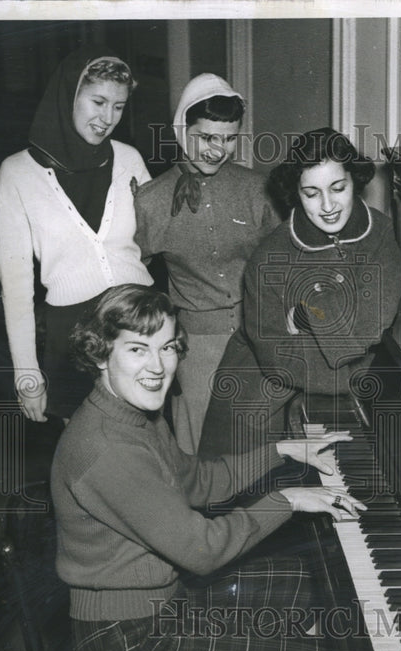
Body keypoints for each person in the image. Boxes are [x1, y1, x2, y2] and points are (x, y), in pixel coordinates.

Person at [51, 284, 365, 651]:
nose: (157, 367)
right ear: (101, 354)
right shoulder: (107, 450)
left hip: (160, 602)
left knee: (313, 584)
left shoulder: (135, 416)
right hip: (128, 650)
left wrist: (281, 451)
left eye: (168, 348)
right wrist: (289, 499)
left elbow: (197, 482)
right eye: (137, 349)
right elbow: (202, 550)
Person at [199, 127, 401, 458]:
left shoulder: (380, 234)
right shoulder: (268, 258)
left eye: (338, 188)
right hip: (259, 395)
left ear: (355, 181)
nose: (327, 206)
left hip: (343, 392)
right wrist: (356, 370)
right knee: (250, 493)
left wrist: (306, 313)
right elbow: (279, 361)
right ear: (296, 193)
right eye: (311, 193)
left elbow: (369, 329)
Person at [0, 46, 153, 422]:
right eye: (98, 101)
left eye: (118, 106)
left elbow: (156, 241)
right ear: (69, 95)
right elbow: (16, 285)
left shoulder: (129, 158)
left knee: (149, 450)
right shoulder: (16, 173)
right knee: (89, 458)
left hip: (141, 322)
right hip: (73, 336)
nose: (107, 118)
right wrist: (27, 375)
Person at [134, 73, 280, 454]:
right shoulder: (150, 201)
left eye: (229, 138)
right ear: (183, 130)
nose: (219, 150)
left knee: (259, 445)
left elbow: (283, 265)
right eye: (207, 137)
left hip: (259, 337)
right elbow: (130, 278)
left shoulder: (258, 190)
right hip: (195, 348)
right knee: (198, 448)